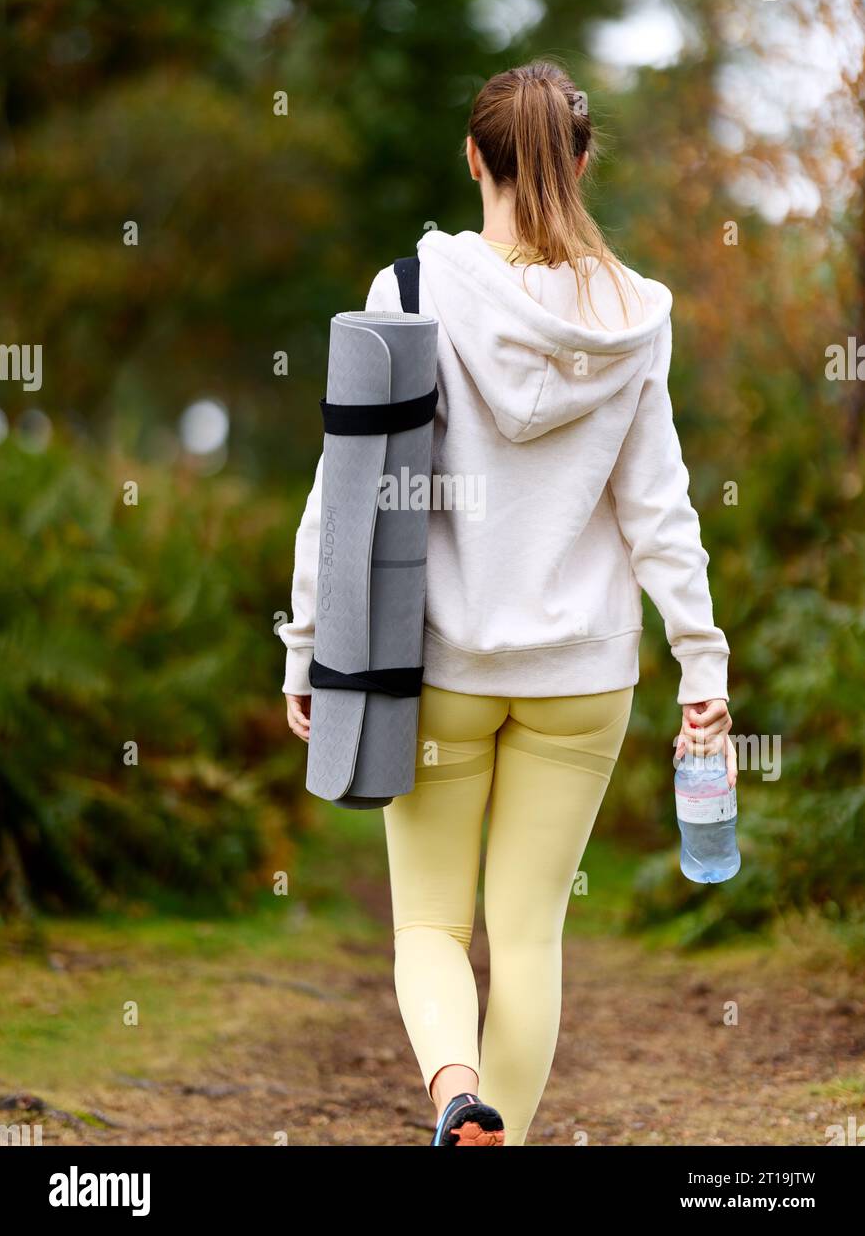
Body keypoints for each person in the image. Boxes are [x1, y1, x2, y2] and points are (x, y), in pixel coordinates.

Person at [280, 60, 734, 1147]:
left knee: (430, 923)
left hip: (432, 670)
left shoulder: (412, 290)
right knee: (528, 938)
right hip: (582, 677)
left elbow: (341, 490)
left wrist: (306, 644)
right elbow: (657, 507)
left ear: (472, 157)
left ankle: (453, 1098)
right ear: (581, 162)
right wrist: (702, 663)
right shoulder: (634, 314)